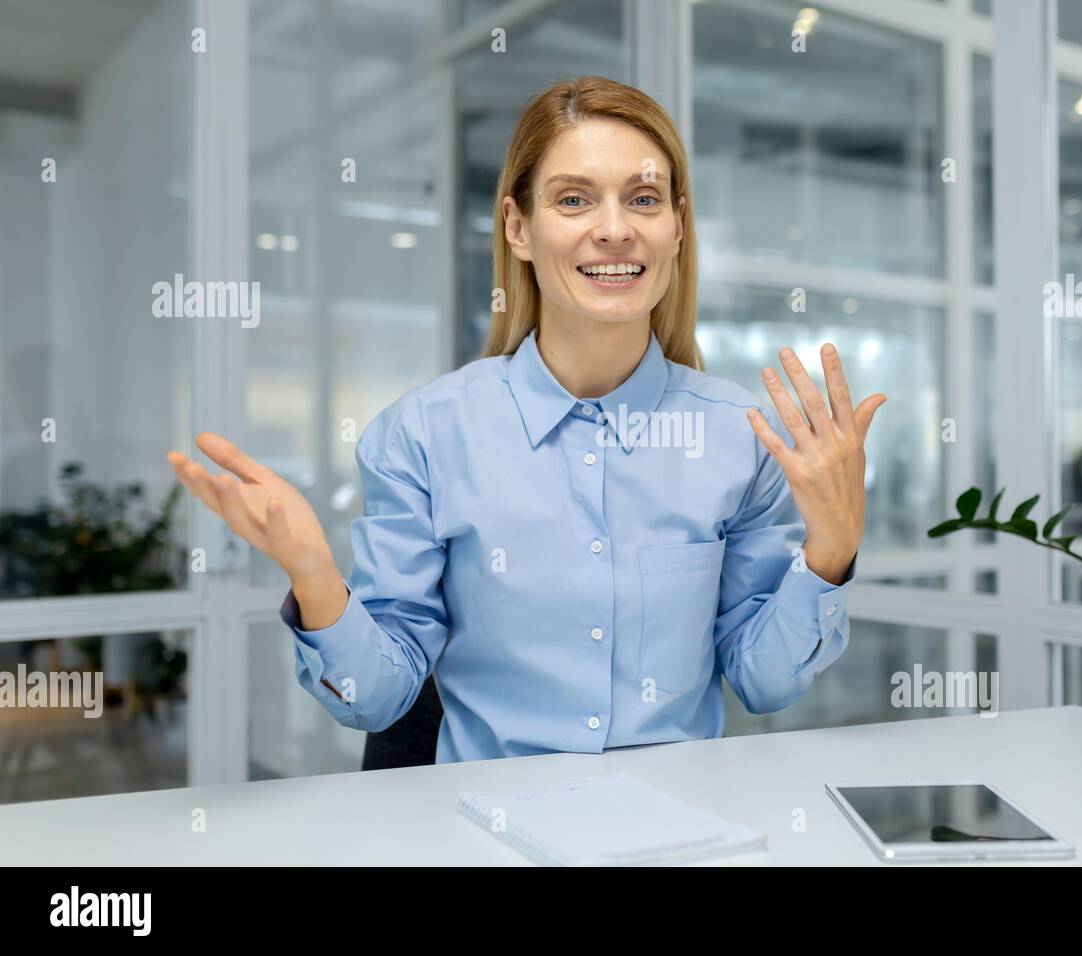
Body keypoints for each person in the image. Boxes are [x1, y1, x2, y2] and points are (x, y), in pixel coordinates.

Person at [166, 76, 886, 764]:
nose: (614, 231)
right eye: (574, 200)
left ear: (677, 227)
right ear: (517, 226)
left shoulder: (741, 439)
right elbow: (377, 699)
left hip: (678, 829)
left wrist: (831, 550)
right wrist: (315, 575)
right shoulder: (423, 436)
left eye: (642, 199)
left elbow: (764, 684)